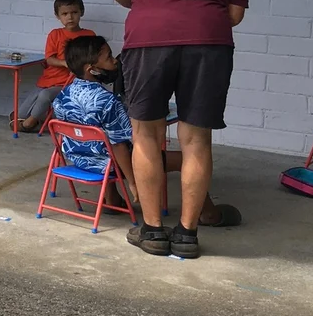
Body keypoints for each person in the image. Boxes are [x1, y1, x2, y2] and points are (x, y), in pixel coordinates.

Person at [106, 0, 247, 259]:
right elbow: (235, 13)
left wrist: (146, 7)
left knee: (145, 134)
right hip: (209, 42)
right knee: (197, 139)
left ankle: (152, 230)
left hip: (149, 38)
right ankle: (186, 235)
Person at [52, 35, 242, 245]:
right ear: (92, 70)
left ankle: (112, 198)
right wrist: (134, 183)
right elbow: (119, 146)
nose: (114, 62)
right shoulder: (107, 101)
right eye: (108, 58)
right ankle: (208, 213)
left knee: (102, 138)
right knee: (179, 158)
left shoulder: (63, 95)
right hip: (109, 164)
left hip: (78, 158)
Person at [14, 0, 95, 133]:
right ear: (58, 16)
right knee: (21, 112)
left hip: (70, 83)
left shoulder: (89, 35)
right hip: (49, 79)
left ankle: (30, 123)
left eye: (74, 12)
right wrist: (64, 63)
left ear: (81, 12)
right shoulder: (55, 34)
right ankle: (28, 119)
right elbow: (49, 59)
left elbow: (92, 60)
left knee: (45, 96)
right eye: (64, 14)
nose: (70, 17)